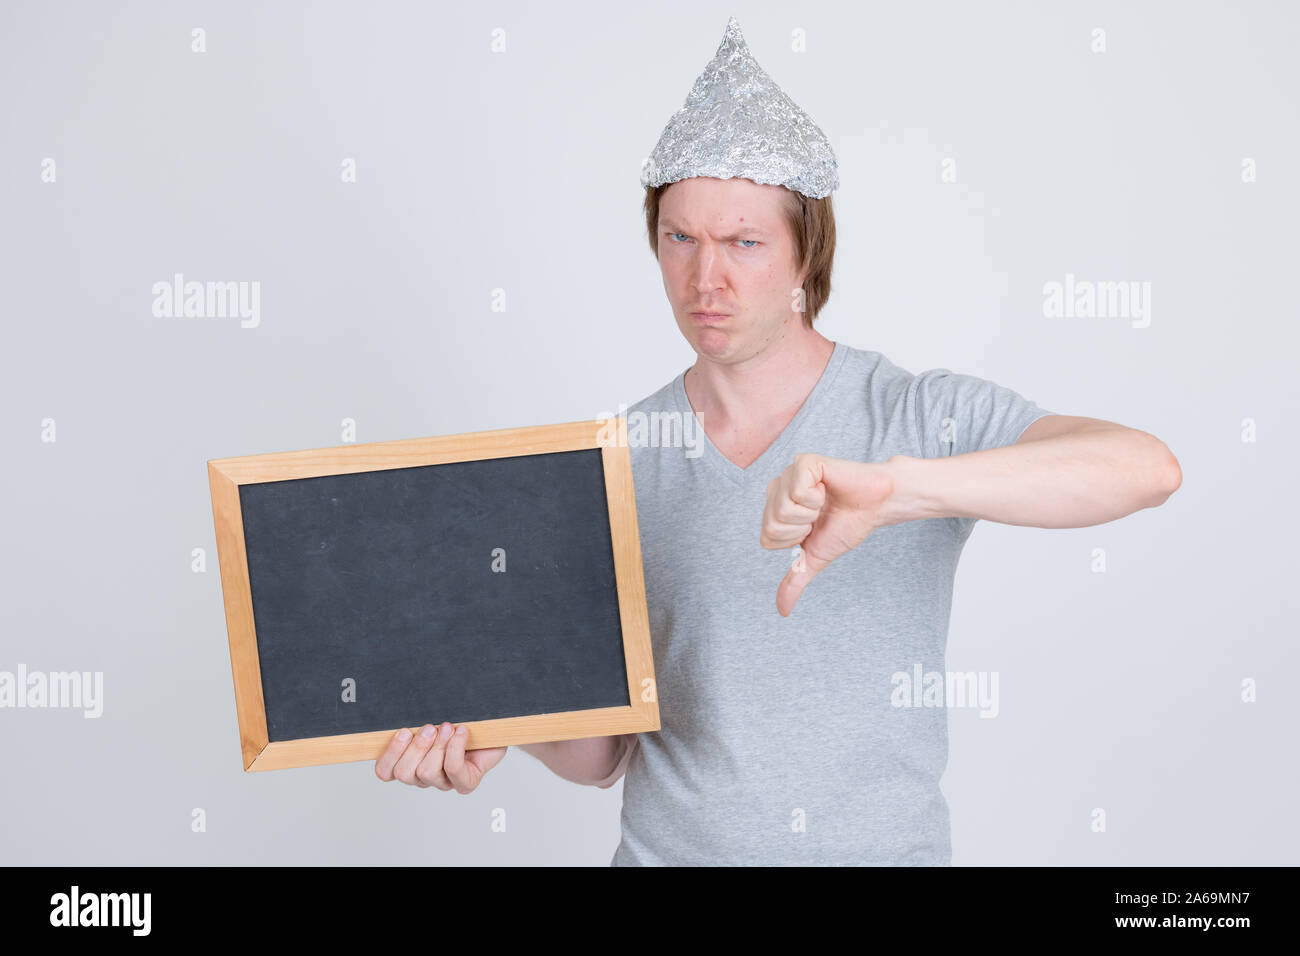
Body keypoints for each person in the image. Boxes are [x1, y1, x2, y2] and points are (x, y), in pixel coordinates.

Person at [373, 18, 1181, 865]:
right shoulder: (613, 461)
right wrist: (502, 716)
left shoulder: (913, 418)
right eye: (679, 238)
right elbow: (604, 755)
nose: (704, 279)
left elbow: (1145, 468)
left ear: (806, 260)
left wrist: (904, 491)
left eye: (743, 244)